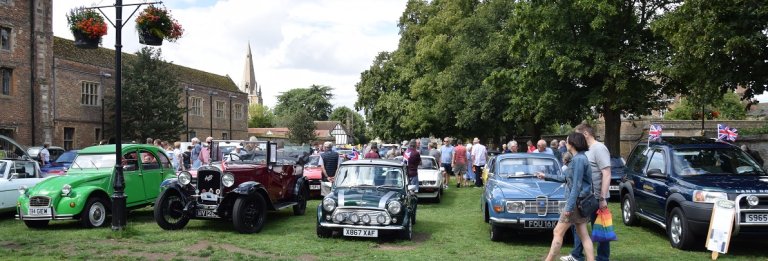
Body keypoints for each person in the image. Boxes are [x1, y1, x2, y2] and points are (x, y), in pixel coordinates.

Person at [537, 132, 595, 261]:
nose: (566, 143)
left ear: (572, 144)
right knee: (584, 235)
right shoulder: (579, 158)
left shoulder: (579, 159)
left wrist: (569, 207)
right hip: (579, 202)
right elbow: (566, 178)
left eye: (567, 141)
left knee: (558, 232)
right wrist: (545, 176)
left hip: (575, 203)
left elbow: (576, 185)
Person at [564, 123, 612, 261]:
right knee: (580, 226)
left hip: (597, 197)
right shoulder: (586, 151)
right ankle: (577, 255)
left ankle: (602, 258)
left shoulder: (599, 148)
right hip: (586, 196)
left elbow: (607, 173)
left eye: (578, 135)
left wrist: (602, 198)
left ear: (585, 134)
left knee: (600, 229)